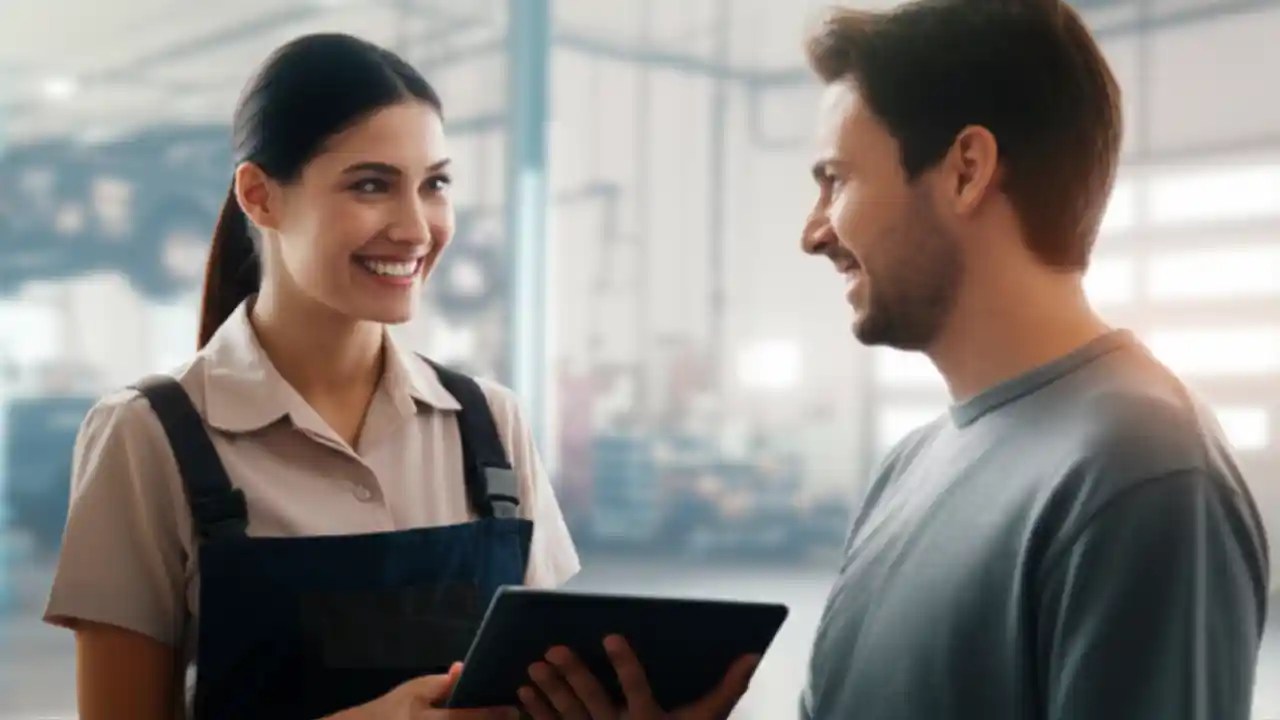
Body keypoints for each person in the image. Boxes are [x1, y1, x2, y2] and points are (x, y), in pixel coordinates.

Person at [519, 1, 1270, 719]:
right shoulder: (912, 464)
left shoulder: (1141, 472)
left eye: (836, 180)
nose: (813, 233)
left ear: (967, 170)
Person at [43, 33, 579, 720]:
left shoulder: (490, 425)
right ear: (260, 197)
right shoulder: (147, 437)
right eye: (370, 185)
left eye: (434, 184)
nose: (417, 227)